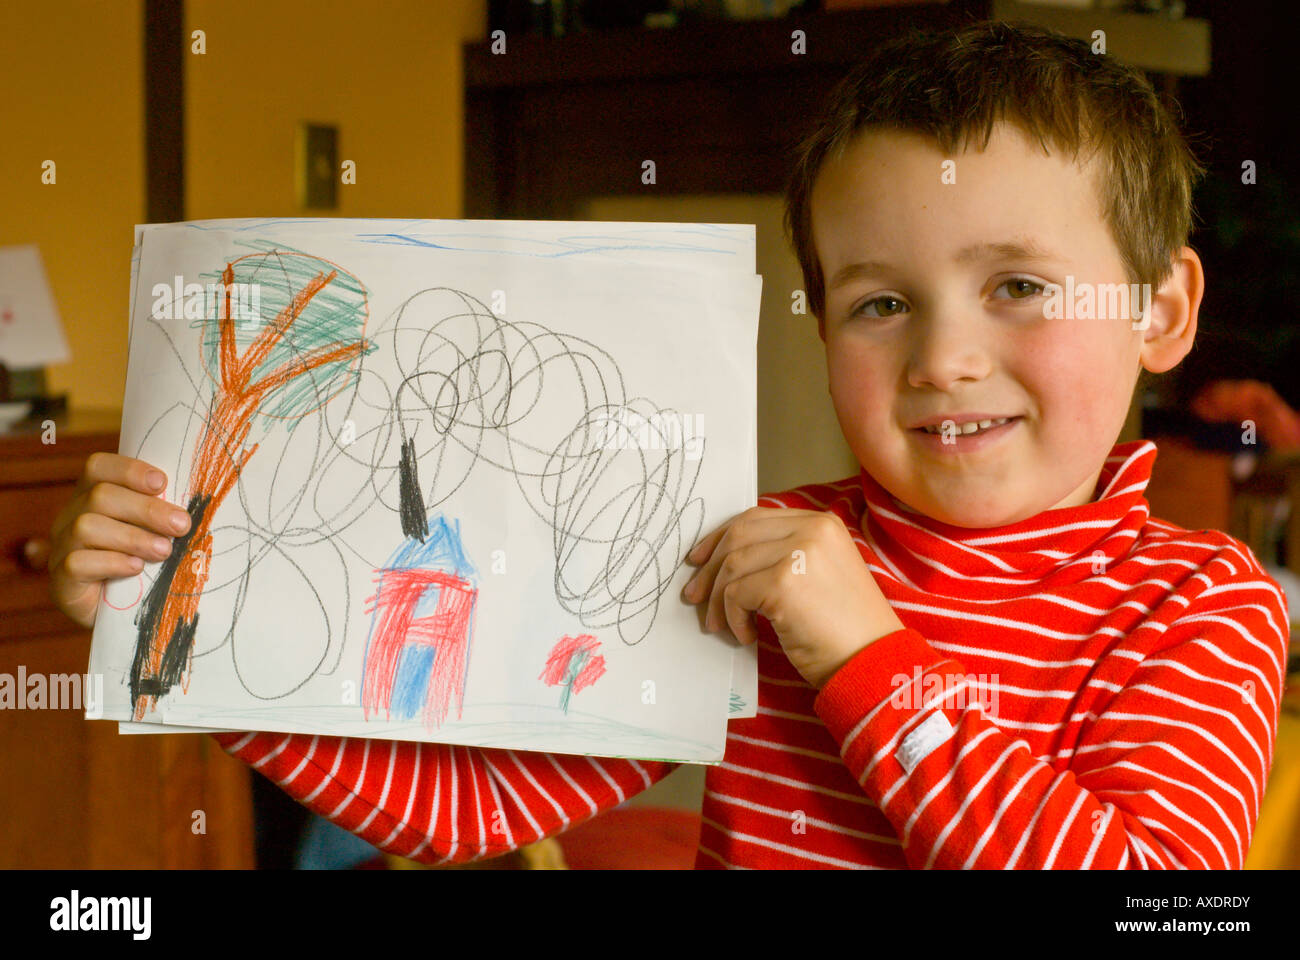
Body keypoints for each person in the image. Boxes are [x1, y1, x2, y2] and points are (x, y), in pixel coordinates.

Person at [50, 20, 1289, 868]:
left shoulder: (1203, 606)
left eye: (1017, 284)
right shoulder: (751, 558)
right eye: (879, 301)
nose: (941, 358)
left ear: (1161, 311)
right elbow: (470, 810)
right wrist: (184, 634)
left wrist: (860, 654)